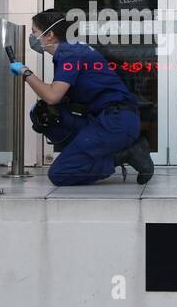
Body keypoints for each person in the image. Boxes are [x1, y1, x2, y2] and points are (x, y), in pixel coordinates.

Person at [10, 9, 155, 186]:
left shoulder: (70, 54)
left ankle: (125, 155)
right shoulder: (71, 51)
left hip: (115, 121)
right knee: (45, 114)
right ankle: (90, 154)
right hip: (108, 118)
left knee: (59, 174)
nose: (32, 38)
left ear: (50, 35)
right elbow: (58, 97)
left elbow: (53, 96)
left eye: (34, 32)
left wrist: (26, 73)